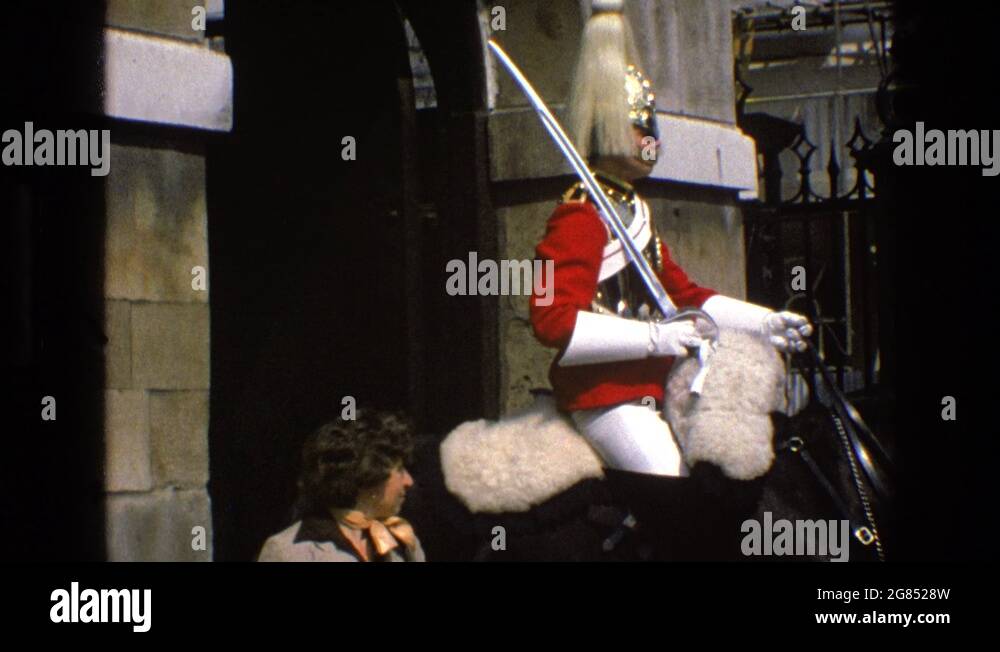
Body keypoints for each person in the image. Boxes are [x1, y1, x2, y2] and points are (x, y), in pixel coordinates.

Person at [529, 0, 812, 557]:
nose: (649, 136)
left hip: (659, 387)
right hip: (605, 396)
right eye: (641, 124)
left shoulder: (632, 210)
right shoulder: (579, 215)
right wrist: (659, 337)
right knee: (679, 499)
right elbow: (551, 319)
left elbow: (688, 295)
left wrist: (765, 323)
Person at [257, 410, 425, 562]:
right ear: (372, 475)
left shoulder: (401, 539)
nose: (408, 481)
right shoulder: (291, 552)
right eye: (400, 470)